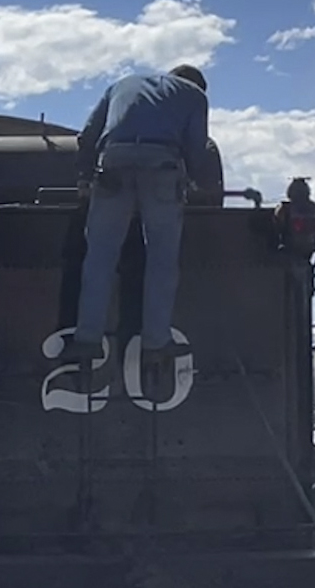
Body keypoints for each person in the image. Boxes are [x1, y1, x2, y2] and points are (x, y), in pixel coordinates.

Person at [69, 65, 217, 376]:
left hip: (113, 161)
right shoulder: (194, 96)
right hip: (161, 167)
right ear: (198, 85)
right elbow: (196, 148)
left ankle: (86, 340)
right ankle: (155, 344)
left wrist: (85, 177)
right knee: (162, 258)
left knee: (99, 256)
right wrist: (193, 180)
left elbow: (87, 136)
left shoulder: (122, 83)